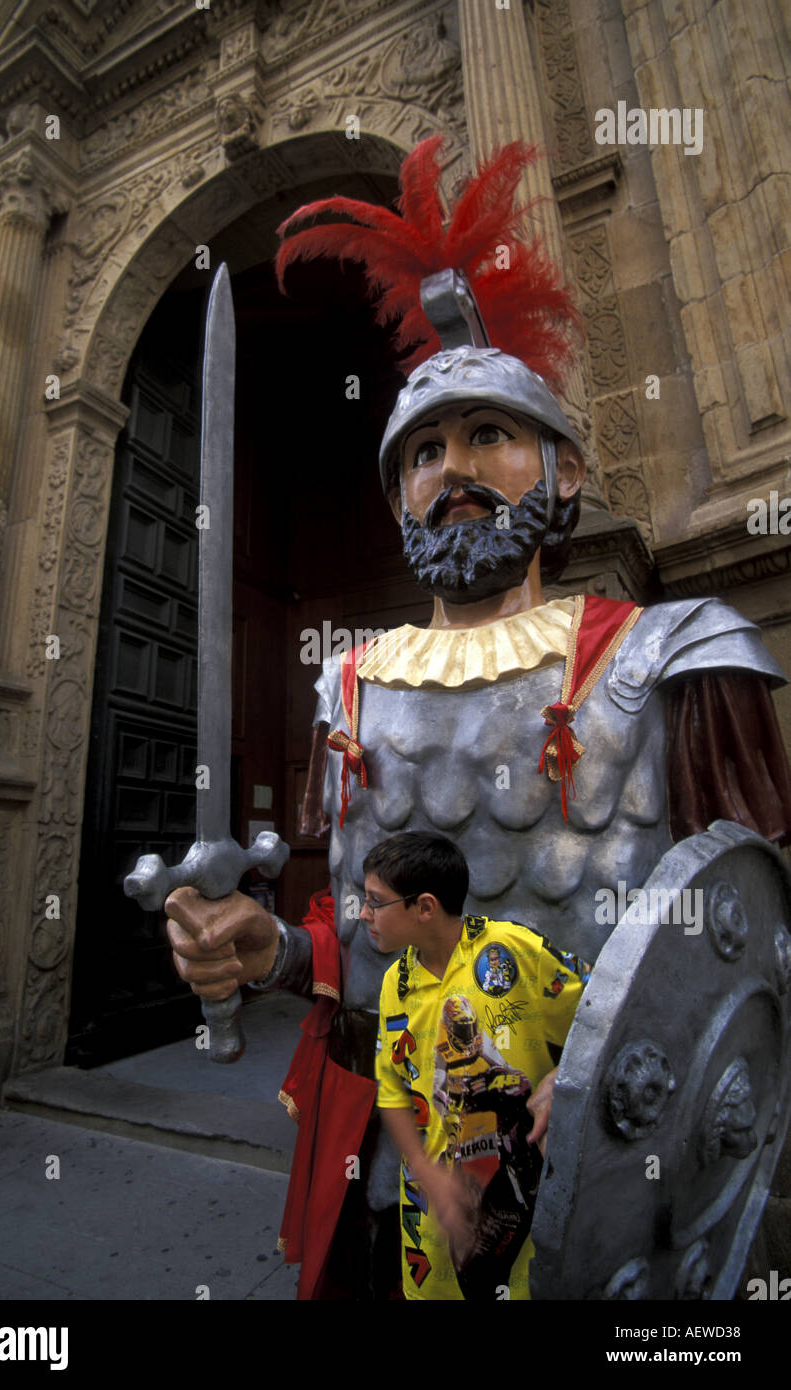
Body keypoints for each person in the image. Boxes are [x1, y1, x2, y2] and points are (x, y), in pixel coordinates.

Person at [165, 138, 791, 1299]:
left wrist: (608, 1076)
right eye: (424, 452)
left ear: (560, 475)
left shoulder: (677, 657)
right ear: (397, 494)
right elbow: (366, 939)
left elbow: (751, 931)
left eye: (489, 438)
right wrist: (273, 952)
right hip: (403, 1172)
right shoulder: (346, 689)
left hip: (610, 1176)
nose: (453, 469)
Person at [368, 831, 585, 1300]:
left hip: (521, 1198)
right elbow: (391, 1093)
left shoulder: (510, 951)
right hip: (431, 1214)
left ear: (424, 908)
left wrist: (560, 1077)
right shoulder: (395, 985)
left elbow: (600, 1016)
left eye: (375, 901)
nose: (362, 914)